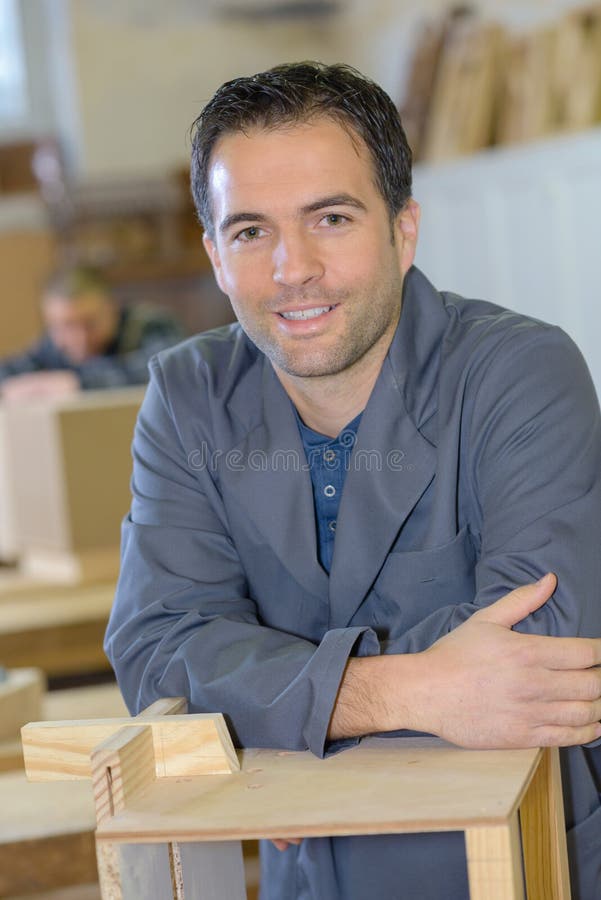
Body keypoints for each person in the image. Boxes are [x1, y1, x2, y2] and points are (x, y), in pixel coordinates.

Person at [104, 63, 601, 899]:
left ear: (403, 231)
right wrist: (408, 687)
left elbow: (539, 660)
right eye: (250, 231)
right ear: (215, 257)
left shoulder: (520, 369)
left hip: (514, 857)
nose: (290, 269)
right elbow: (156, 654)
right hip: (314, 871)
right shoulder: (187, 398)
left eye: (330, 219)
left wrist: (268, 705)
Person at [0, 264, 185, 399]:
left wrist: (78, 384)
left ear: (112, 309)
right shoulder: (52, 347)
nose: (80, 338)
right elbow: (8, 372)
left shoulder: (148, 325)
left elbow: (168, 372)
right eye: (66, 326)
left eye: (90, 324)